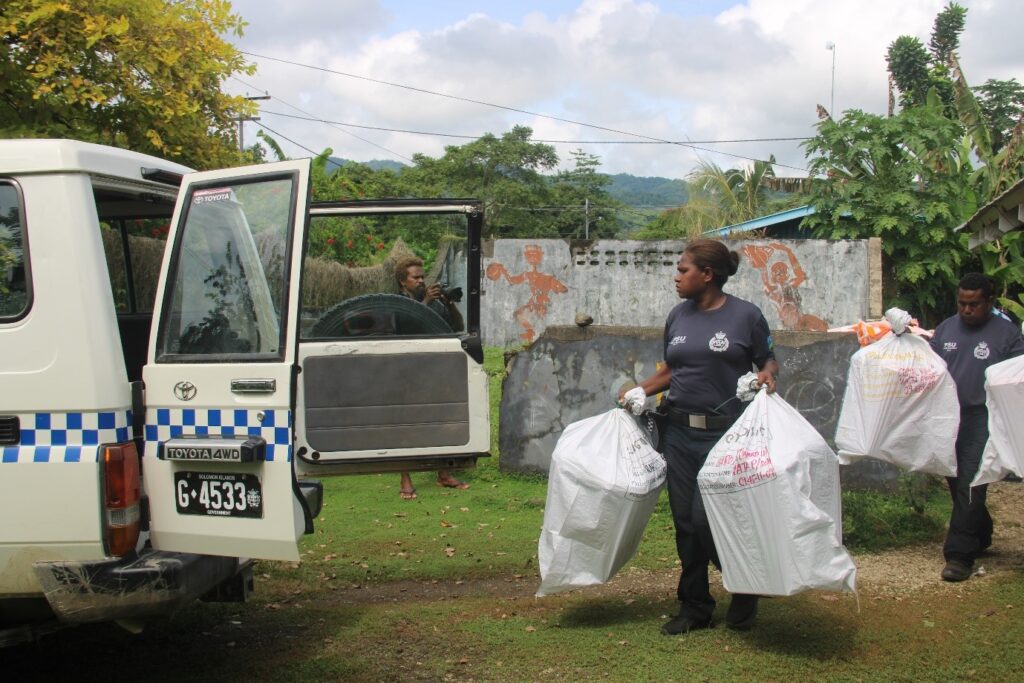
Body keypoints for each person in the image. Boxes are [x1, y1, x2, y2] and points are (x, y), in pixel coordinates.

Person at [619, 238, 779, 635]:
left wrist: (764, 378)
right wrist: (640, 390)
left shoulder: (746, 316)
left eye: (683, 270)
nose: (677, 277)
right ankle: (695, 607)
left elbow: (769, 362)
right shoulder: (678, 317)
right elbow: (673, 370)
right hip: (680, 435)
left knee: (707, 521)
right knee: (685, 525)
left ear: (707, 275)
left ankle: (745, 585)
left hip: (727, 437)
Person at [929, 273, 1024, 582]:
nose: (967, 310)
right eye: (962, 303)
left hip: (984, 417)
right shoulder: (944, 330)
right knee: (957, 481)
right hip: (948, 416)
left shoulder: (1007, 335)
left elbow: (1016, 379)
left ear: (989, 302)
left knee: (971, 481)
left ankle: (959, 556)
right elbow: (929, 370)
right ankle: (980, 534)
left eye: (974, 304)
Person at [393, 256, 469, 499]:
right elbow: (406, 330)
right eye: (416, 277)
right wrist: (425, 302)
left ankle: (444, 474)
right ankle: (405, 478)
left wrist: (449, 303)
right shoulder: (399, 302)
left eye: (422, 276)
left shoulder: (434, 301)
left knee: (439, 422)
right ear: (403, 282)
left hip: (436, 371)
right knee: (407, 425)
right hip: (409, 373)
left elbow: (458, 325)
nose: (421, 281)